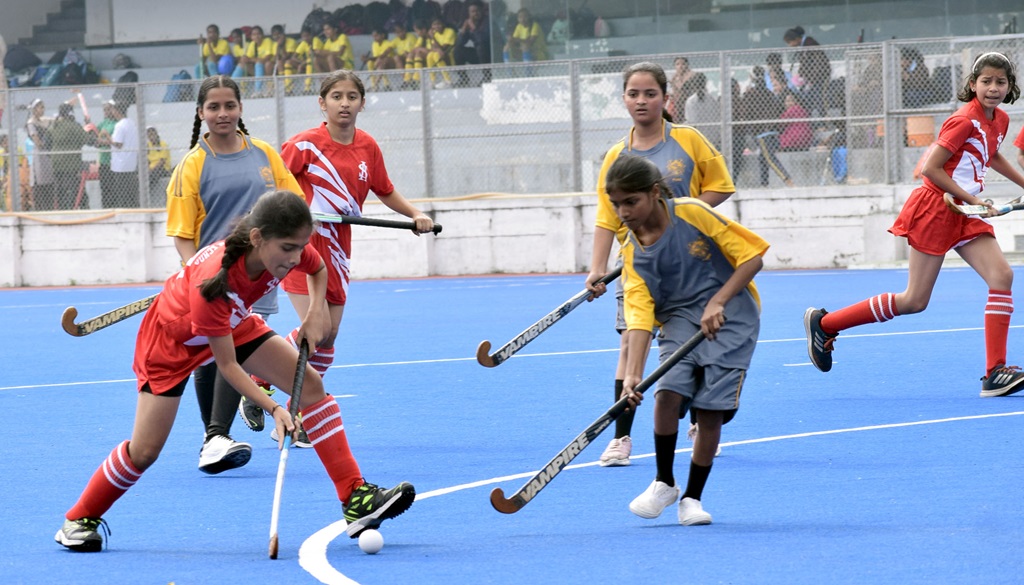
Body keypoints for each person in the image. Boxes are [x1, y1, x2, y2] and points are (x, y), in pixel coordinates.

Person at [54, 190, 417, 552]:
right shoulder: (215, 285)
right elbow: (226, 366)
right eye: (287, 248)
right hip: (169, 345)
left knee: (310, 385)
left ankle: (355, 497)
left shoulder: (286, 247)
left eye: (299, 247)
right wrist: (274, 407)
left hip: (233, 323)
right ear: (258, 238)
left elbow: (318, 267)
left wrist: (313, 314)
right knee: (145, 451)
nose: (294, 258)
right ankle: (79, 518)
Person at [805, 52, 1024, 398]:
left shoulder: (998, 120)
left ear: (1010, 86)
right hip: (936, 209)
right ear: (972, 84)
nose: (993, 88)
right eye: (986, 81)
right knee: (913, 301)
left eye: (1001, 82)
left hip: (964, 213)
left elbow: (991, 153)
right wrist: (976, 199)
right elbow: (930, 170)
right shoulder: (962, 120)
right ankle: (826, 323)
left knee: (1002, 276)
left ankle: (994, 372)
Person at [268, 70, 435, 445]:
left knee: (328, 338)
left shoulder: (368, 146)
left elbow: (385, 189)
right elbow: (276, 182)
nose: (344, 103)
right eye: (336, 97)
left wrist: (415, 216)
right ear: (322, 103)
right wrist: (295, 210)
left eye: (352, 97)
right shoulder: (304, 145)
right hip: (304, 246)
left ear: (361, 102)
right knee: (317, 329)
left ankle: (273, 386)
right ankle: (275, 393)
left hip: (339, 247)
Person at [585, 62, 735, 467]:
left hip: (693, 265)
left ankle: (700, 421)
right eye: (633, 94)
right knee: (631, 343)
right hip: (642, 263)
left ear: (665, 99)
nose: (641, 101)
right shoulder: (617, 156)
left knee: (695, 343)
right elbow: (605, 218)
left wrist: (681, 218)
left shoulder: (688, 140)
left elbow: (720, 186)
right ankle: (621, 438)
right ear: (624, 99)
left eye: (650, 93)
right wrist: (597, 268)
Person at [605, 154, 767, 526]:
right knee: (667, 394)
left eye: (632, 201)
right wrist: (632, 375)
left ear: (655, 193)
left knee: (710, 412)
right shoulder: (631, 251)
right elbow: (640, 317)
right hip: (678, 317)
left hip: (733, 314)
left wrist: (718, 300)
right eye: (617, 204)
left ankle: (692, 497)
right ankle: (664, 481)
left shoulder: (693, 212)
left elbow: (752, 257)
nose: (624, 212)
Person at [166, 75, 306, 471]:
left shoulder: (263, 154)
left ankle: (215, 437)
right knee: (211, 357)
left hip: (259, 274)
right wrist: (198, 278)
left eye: (229, 106)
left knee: (238, 352)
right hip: (214, 279)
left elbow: (291, 201)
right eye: (214, 107)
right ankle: (214, 438)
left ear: (241, 109)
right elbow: (182, 236)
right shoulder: (191, 166)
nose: (222, 114)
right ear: (200, 113)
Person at [48, 102, 96, 210]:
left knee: (60, 189)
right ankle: (77, 208)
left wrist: (52, 156)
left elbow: (47, 143)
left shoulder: (54, 126)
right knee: (76, 189)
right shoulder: (75, 126)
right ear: (71, 114)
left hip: (56, 164)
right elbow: (90, 141)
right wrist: (89, 126)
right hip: (72, 165)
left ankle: (62, 209)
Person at [782, 26, 831, 116]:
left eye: (790, 42)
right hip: (813, 79)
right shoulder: (804, 45)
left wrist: (811, 78)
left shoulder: (810, 44)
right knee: (810, 100)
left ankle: (823, 121)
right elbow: (805, 64)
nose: (790, 45)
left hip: (819, 78)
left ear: (796, 39)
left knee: (818, 100)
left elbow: (818, 63)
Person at [25, 98, 55, 211]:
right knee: (40, 182)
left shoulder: (43, 121)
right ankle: (40, 208)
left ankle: (49, 208)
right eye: (41, 107)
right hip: (39, 156)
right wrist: (46, 142)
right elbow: (37, 142)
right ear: (35, 109)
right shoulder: (31, 123)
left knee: (49, 183)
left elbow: (53, 119)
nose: (43, 109)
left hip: (47, 155)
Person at [107, 101, 139, 208]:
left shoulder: (119, 125)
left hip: (120, 165)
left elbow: (118, 144)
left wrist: (107, 136)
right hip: (131, 163)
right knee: (131, 193)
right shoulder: (131, 122)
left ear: (117, 111)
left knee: (122, 194)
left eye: (112, 110)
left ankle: (124, 211)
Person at [682, 72, 721, 148]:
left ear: (692, 85)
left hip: (699, 138)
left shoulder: (690, 101)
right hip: (713, 137)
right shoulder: (713, 98)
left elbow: (692, 121)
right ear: (705, 83)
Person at [454, 0, 491, 70]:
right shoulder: (470, 23)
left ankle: (487, 76)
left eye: (477, 11)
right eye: (472, 12)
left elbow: (482, 41)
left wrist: (474, 28)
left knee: (481, 48)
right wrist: (463, 31)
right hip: (478, 55)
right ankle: (463, 78)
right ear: (469, 13)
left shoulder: (488, 21)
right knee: (458, 50)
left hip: (490, 55)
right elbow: (459, 43)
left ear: (482, 11)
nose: (475, 13)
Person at [426, 17, 456, 89]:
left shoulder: (450, 31)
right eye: (434, 24)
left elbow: (444, 48)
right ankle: (433, 81)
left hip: (451, 55)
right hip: (441, 54)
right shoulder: (435, 34)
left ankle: (448, 80)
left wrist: (433, 38)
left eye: (438, 24)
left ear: (443, 24)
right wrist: (437, 49)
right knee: (429, 56)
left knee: (436, 55)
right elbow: (432, 48)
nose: (436, 26)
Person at [145, 126, 170, 203]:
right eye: (149, 136)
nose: (151, 137)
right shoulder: (147, 145)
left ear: (156, 135)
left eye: (153, 135)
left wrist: (150, 170)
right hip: (150, 169)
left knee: (153, 174)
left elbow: (162, 162)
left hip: (163, 169)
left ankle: (146, 192)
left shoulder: (163, 144)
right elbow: (145, 160)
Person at [667, 56, 696, 123]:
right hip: (678, 104)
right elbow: (673, 90)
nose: (680, 66)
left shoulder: (692, 75)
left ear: (687, 65)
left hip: (689, 102)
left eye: (683, 64)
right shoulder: (674, 77)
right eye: (678, 64)